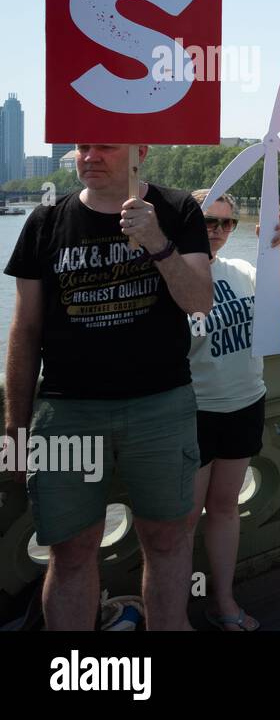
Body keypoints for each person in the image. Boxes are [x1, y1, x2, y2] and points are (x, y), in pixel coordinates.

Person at [5, 144, 211, 630]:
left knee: (166, 541)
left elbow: (199, 300)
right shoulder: (44, 221)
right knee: (71, 551)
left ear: (140, 150)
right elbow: (24, 332)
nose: (90, 155)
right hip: (68, 411)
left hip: (160, 406)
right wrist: (14, 427)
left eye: (105, 145)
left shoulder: (179, 209)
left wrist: (158, 241)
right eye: (82, 145)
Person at [185, 191, 280, 632]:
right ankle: (171, 613)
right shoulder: (172, 276)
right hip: (194, 412)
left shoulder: (243, 270)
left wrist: (274, 254)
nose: (217, 230)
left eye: (226, 224)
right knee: (182, 520)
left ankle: (222, 601)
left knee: (225, 508)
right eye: (208, 220)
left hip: (245, 401)